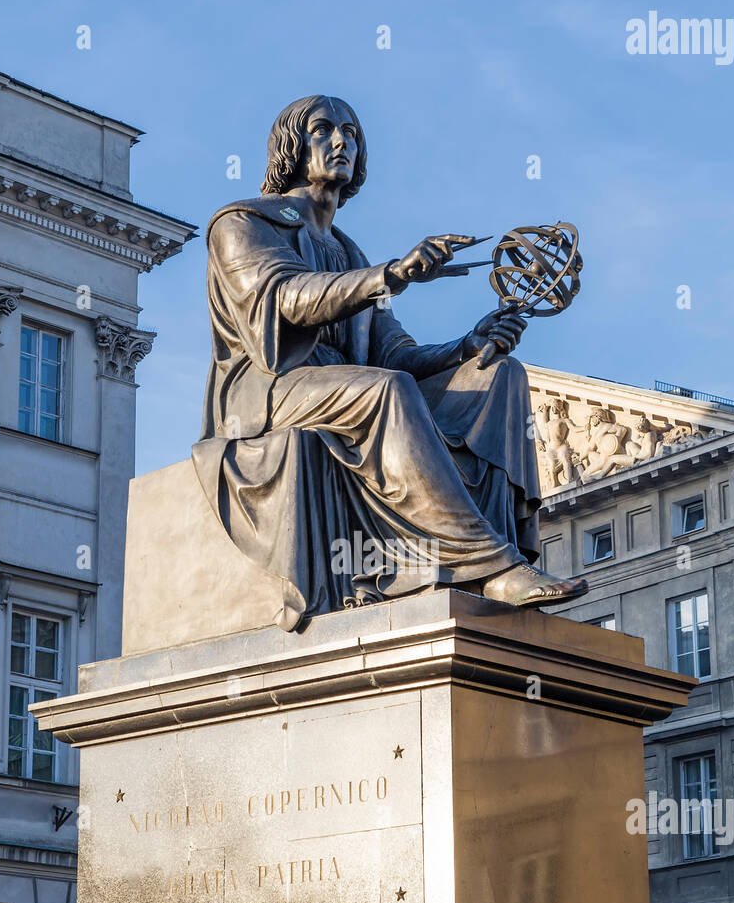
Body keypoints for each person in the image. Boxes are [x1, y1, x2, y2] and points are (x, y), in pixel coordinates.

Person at [193, 94, 587, 630]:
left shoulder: (349, 253)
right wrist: (392, 274)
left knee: (499, 375)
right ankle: (491, 565)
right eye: (323, 130)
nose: (341, 142)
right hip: (268, 389)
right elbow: (286, 299)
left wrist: (467, 347)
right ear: (291, 145)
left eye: (352, 133)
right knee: (386, 390)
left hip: (347, 385)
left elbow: (393, 351)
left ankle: (477, 563)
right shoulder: (243, 223)